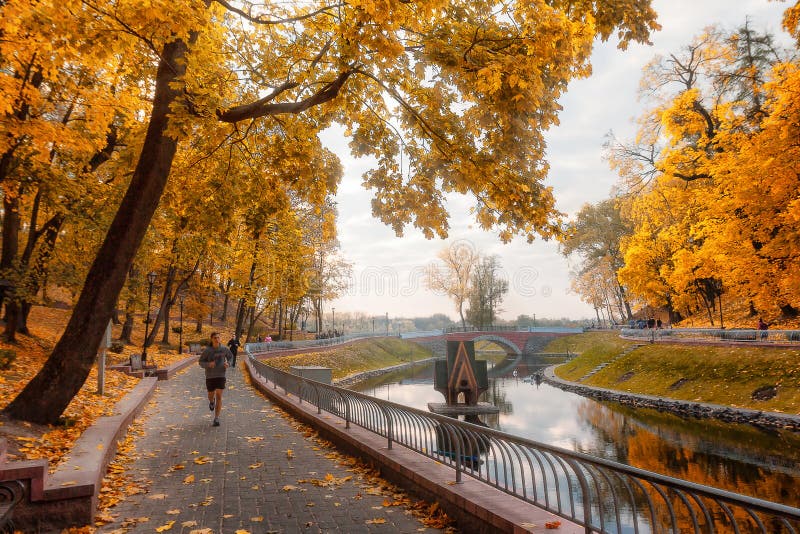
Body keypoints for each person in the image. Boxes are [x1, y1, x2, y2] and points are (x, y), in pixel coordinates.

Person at [198, 332, 233, 427]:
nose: (217, 339)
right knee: (211, 395)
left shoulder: (224, 349)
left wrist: (228, 364)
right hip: (210, 376)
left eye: (218, 337)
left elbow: (231, 357)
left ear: (220, 338)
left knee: (219, 396)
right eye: (214, 338)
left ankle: (216, 418)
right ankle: (211, 401)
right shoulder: (207, 351)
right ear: (211, 339)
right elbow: (200, 362)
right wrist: (208, 364)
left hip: (221, 375)